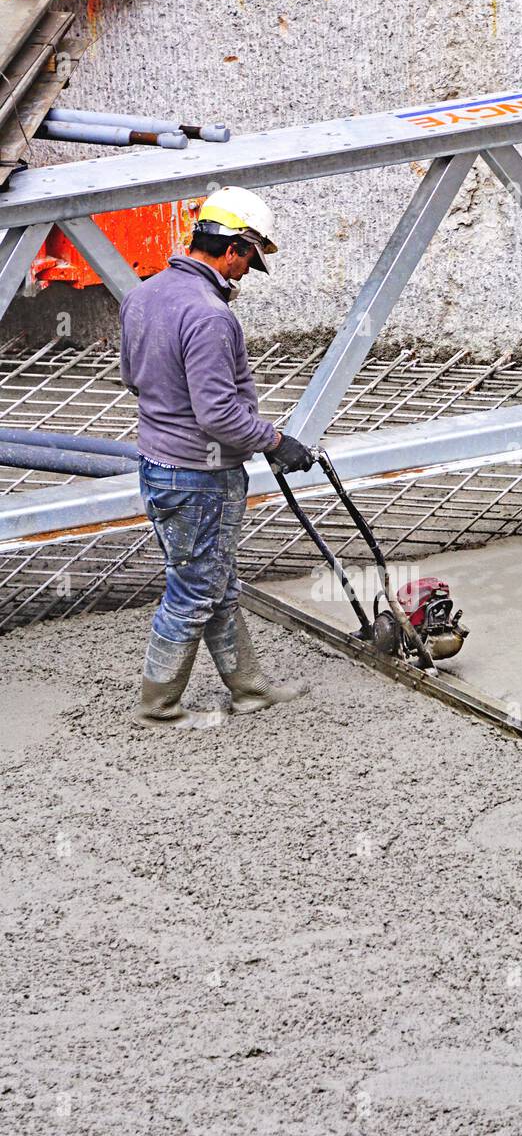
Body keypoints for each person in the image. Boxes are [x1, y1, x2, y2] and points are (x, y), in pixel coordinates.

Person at [119, 185, 313, 729]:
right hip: (199, 476)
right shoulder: (209, 315)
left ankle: (250, 691)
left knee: (215, 579)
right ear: (235, 249)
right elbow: (218, 415)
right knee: (195, 588)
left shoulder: (143, 295)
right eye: (250, 260)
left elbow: (132, 378)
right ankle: (158, 708)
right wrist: (275, 441)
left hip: (159, 465)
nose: (248, 272)